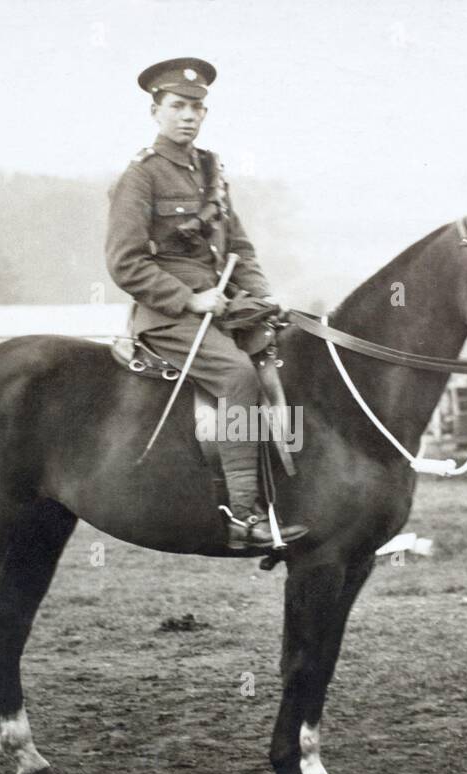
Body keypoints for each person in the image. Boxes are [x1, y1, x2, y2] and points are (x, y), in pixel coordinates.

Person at [105, 57, 306, 550]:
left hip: (225, 305)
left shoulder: (211, 170)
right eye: (177, 106)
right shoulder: (140, 177)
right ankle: (244, 516)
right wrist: (190, 299)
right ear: (156, 111)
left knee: (291, 353)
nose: (188, 115)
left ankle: (295, 492)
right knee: (237, 375)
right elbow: (124, 263)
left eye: (197, 107)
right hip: (168, 315)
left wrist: (260, 297)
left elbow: (239, 247)